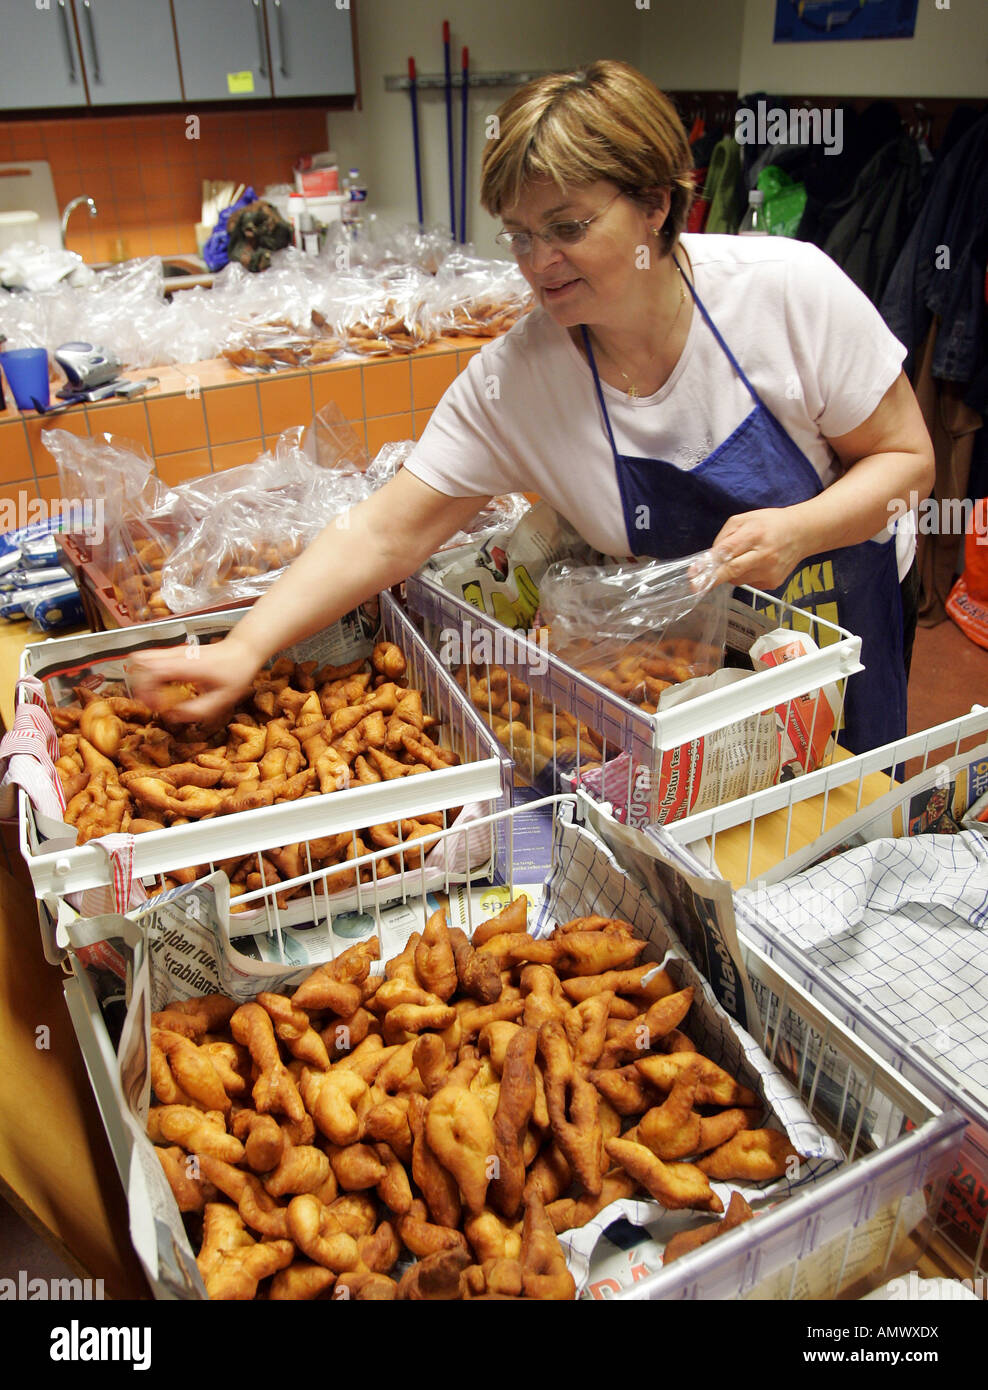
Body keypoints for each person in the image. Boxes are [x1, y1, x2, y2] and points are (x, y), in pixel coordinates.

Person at [133, 60, 934, 753]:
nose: (539, 263)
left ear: (655, 204)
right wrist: (243, 648)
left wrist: (800, 530)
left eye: (568, 227)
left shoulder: (788, 294)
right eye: (518, 235)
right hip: (679, 672)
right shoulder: (518, 381)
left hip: (837, 651)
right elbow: (385, 530)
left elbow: (908, 463)